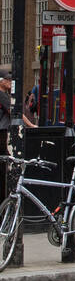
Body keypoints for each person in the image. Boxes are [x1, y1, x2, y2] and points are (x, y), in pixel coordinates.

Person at [0, 65, 12, 203]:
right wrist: (31, 125)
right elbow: (13, 113)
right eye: (8, 79)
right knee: (3, 168)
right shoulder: (2, 95)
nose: (10, 82)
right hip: (1, 133)